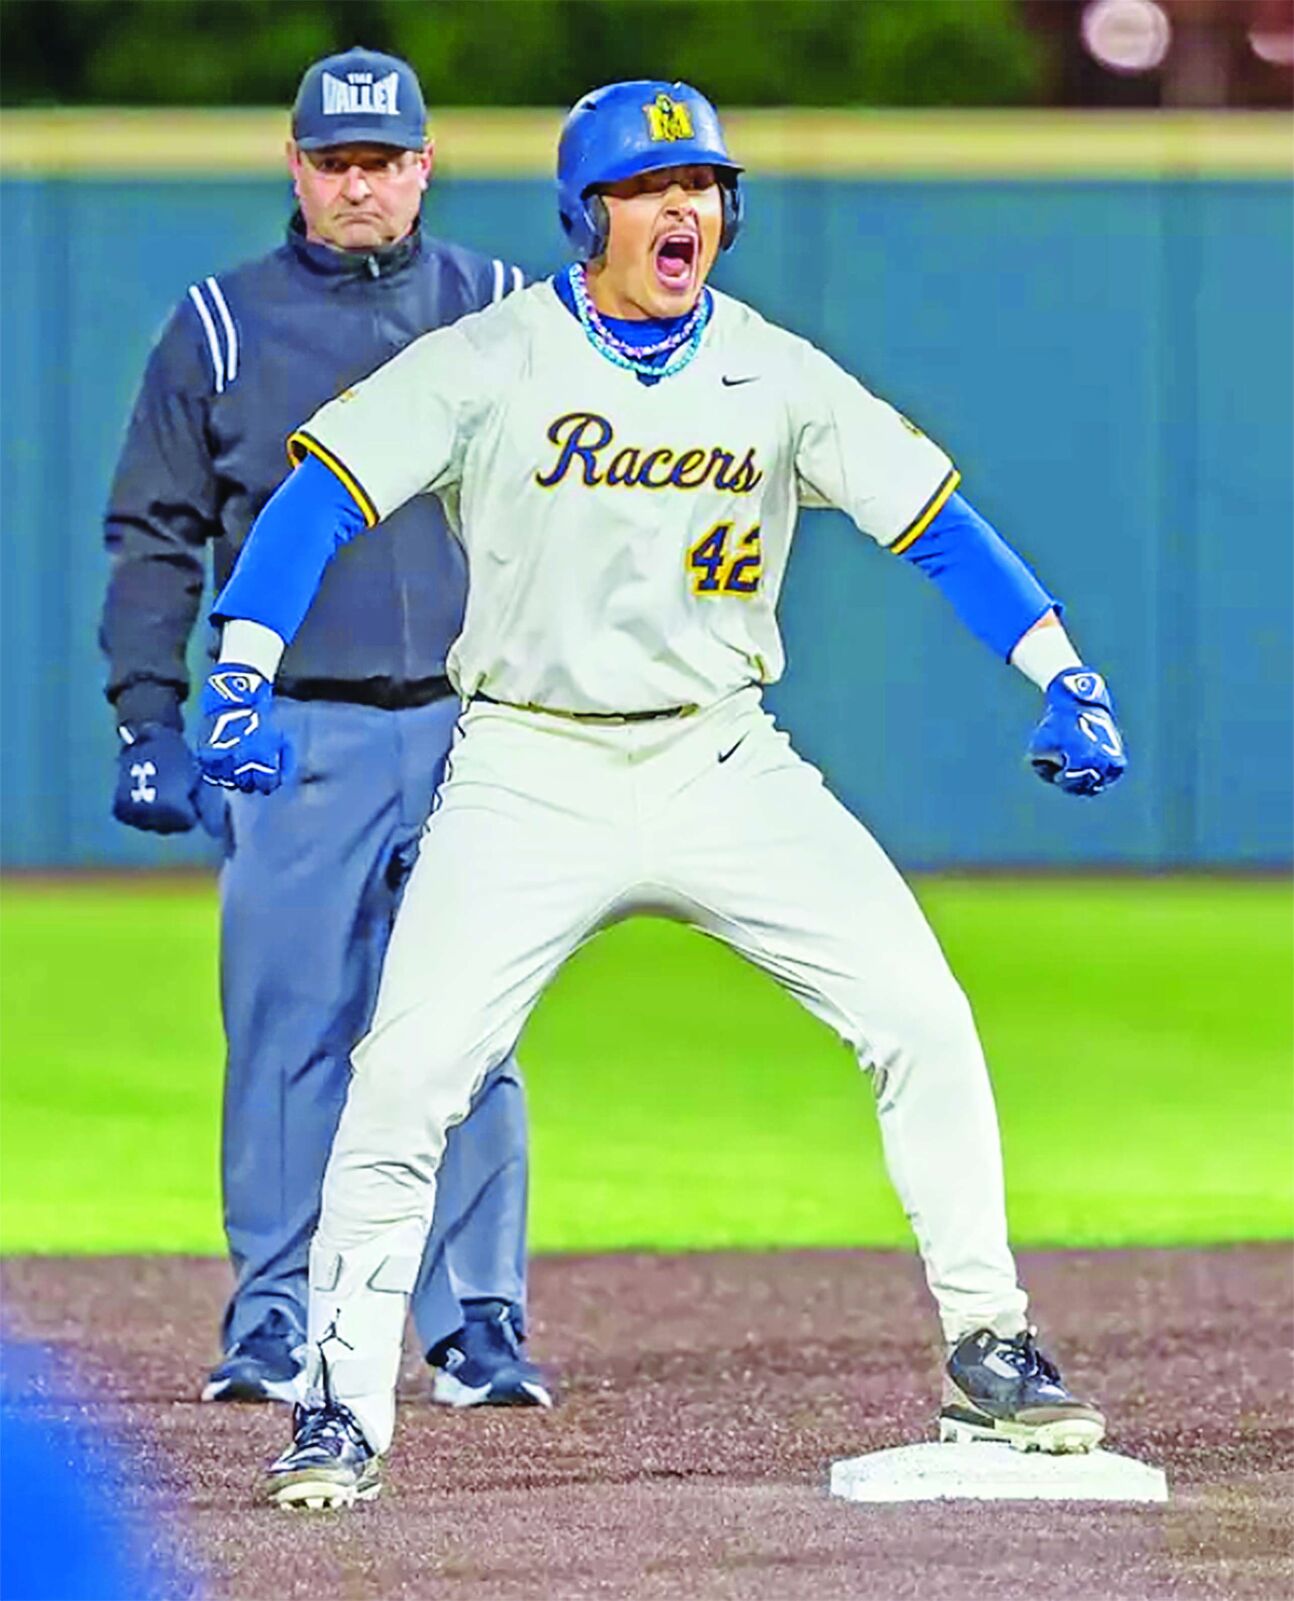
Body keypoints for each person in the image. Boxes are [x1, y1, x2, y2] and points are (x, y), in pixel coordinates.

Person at [196, 79, 1128, 1510]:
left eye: (701, 184)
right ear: (588, 215)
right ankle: (337, 1402)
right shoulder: (491, 358)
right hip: (528, 765)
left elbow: (933, 522)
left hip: (721, 753)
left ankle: (988, 1338)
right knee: (403, 1078)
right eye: (649, 187)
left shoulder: (772, 372)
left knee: (920, 1015)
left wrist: (1058, 667)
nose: (682, 206)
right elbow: (321, 491)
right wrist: (244, 663)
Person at [101, 46, 550, 1412]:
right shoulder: (221, 327)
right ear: (294, 169)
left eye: (384, 158)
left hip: (473, 730)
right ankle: (276, 1311)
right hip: (294, 734)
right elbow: (155, 536)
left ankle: (474, 1317)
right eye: (335, 160)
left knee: (469, 1031)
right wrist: (148, 714)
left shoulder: (502, 308)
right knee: (288, 1028)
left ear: (424, 166)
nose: (360, 183)